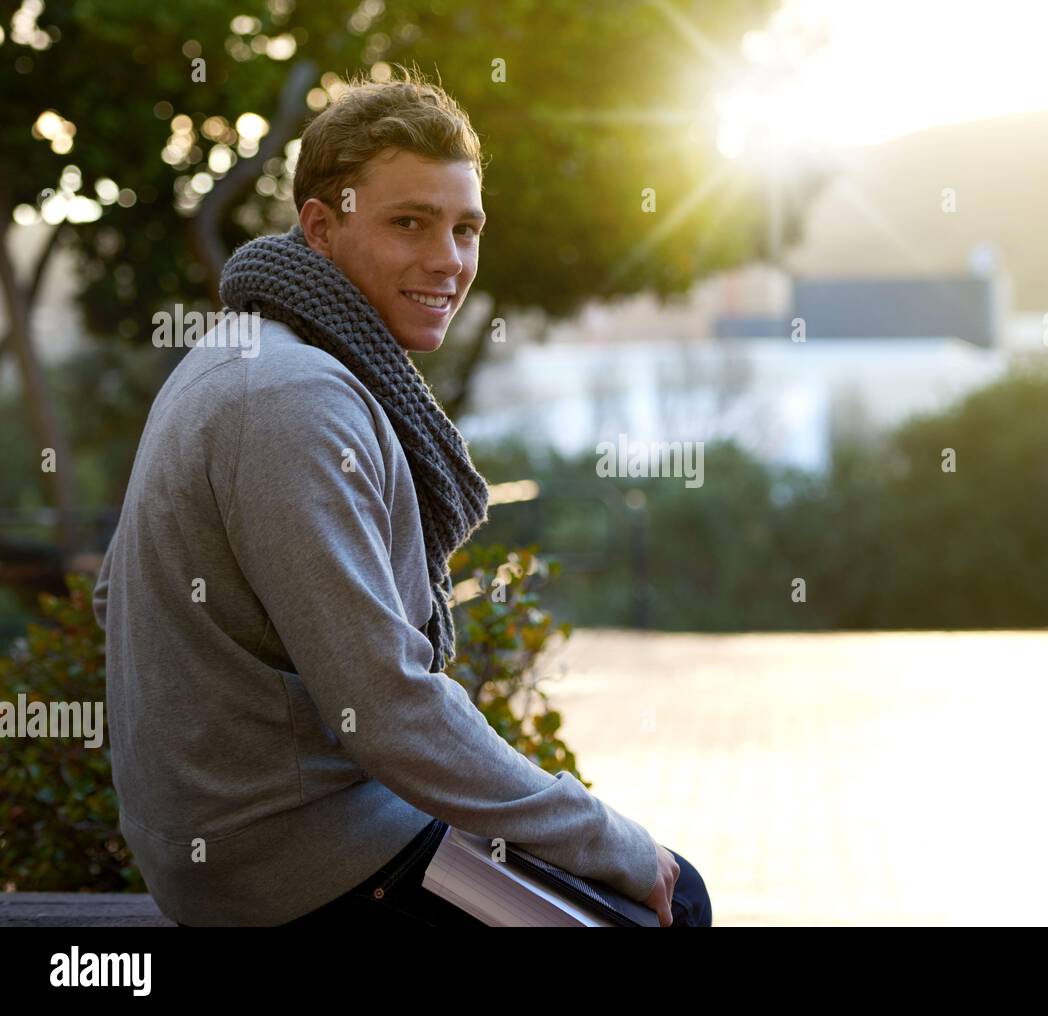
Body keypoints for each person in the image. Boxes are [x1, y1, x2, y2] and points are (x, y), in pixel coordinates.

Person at [92, 67, 709, 928]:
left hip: (242, 852)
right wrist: (618, 843)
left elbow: (111, 592)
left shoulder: (241, 349)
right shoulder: (294, 399)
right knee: (668, 907)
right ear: (320, 227)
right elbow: (387, 710)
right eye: (409, 224)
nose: (447, 261)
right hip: (308, 872)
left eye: (465, 228)